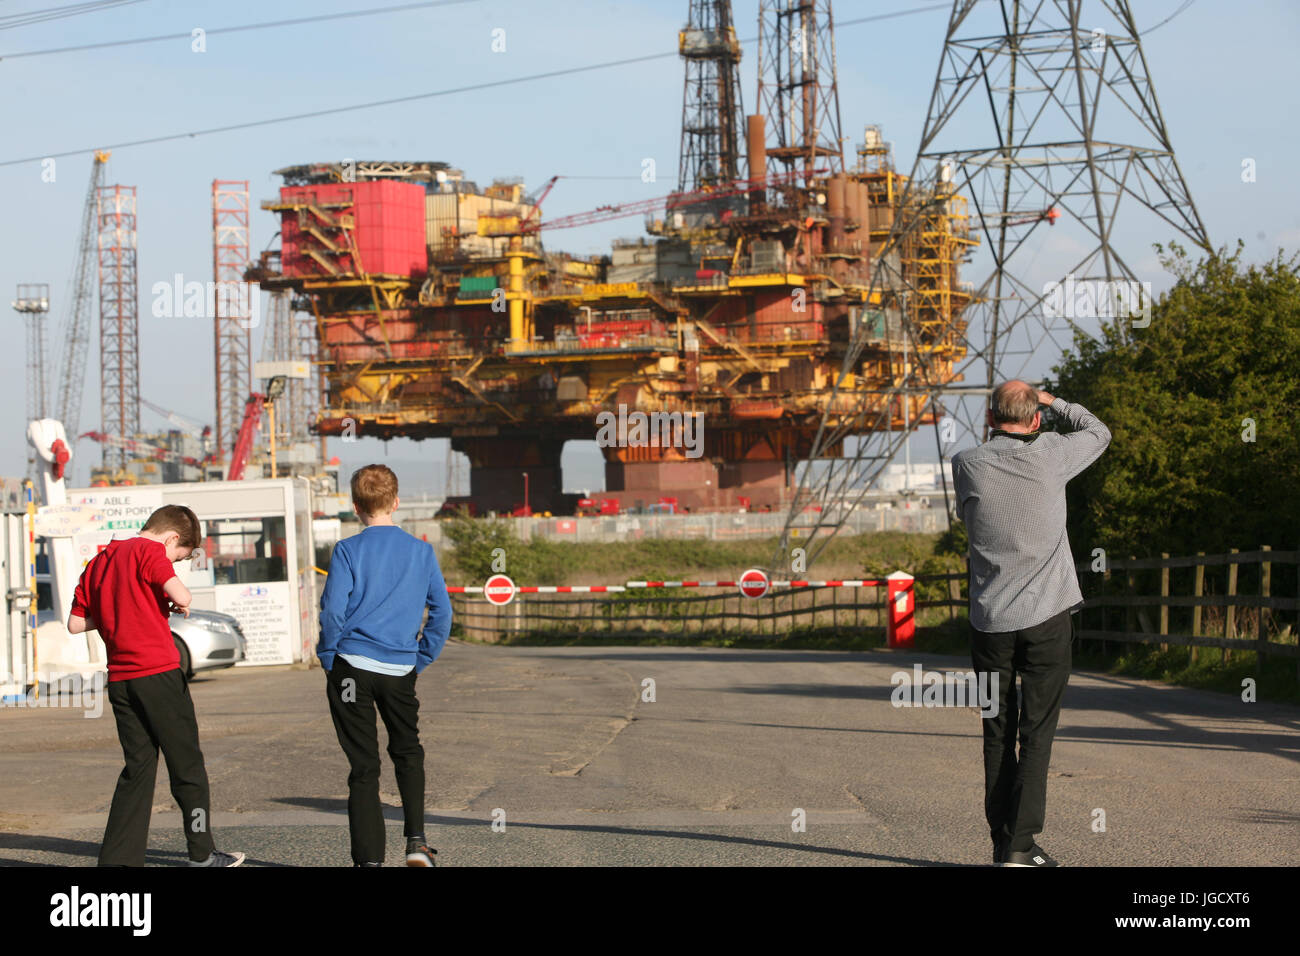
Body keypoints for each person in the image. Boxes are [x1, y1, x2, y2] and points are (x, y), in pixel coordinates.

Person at [951, 381, 1111, 867]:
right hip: (1046, 618)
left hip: (991, 621)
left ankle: (1005, 843)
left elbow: (970, 516)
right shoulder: (1052, 455)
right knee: (1037, 733)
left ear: (988, 418)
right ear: (1036, 419)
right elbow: (1098, 433)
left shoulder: (966, 464)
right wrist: (1054, 402)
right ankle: (1019, 848)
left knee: (996, 731)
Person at [67, 504, 244, 867]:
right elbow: (184, 596)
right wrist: (170, 595)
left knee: (138, 769)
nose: (175, 562)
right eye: (179, 557)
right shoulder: (149, 550)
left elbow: (74, 623)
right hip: (158, 674)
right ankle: (202, 854)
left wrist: (131, 606)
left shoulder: (100, 561)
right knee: (187, 766)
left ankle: (118, 861)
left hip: (120, 680)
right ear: (172, 538)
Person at [318, 464, 453, 867]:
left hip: (351, 669)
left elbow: (331, 614)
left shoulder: (346, 550)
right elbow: (442, 614)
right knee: (408, 753)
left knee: (364, 767)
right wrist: (420, 659)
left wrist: (330, 660)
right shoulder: (421, 551)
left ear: (356, 506)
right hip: (399, 671)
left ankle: (368, 862)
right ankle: (416, 842)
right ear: (396, 502)